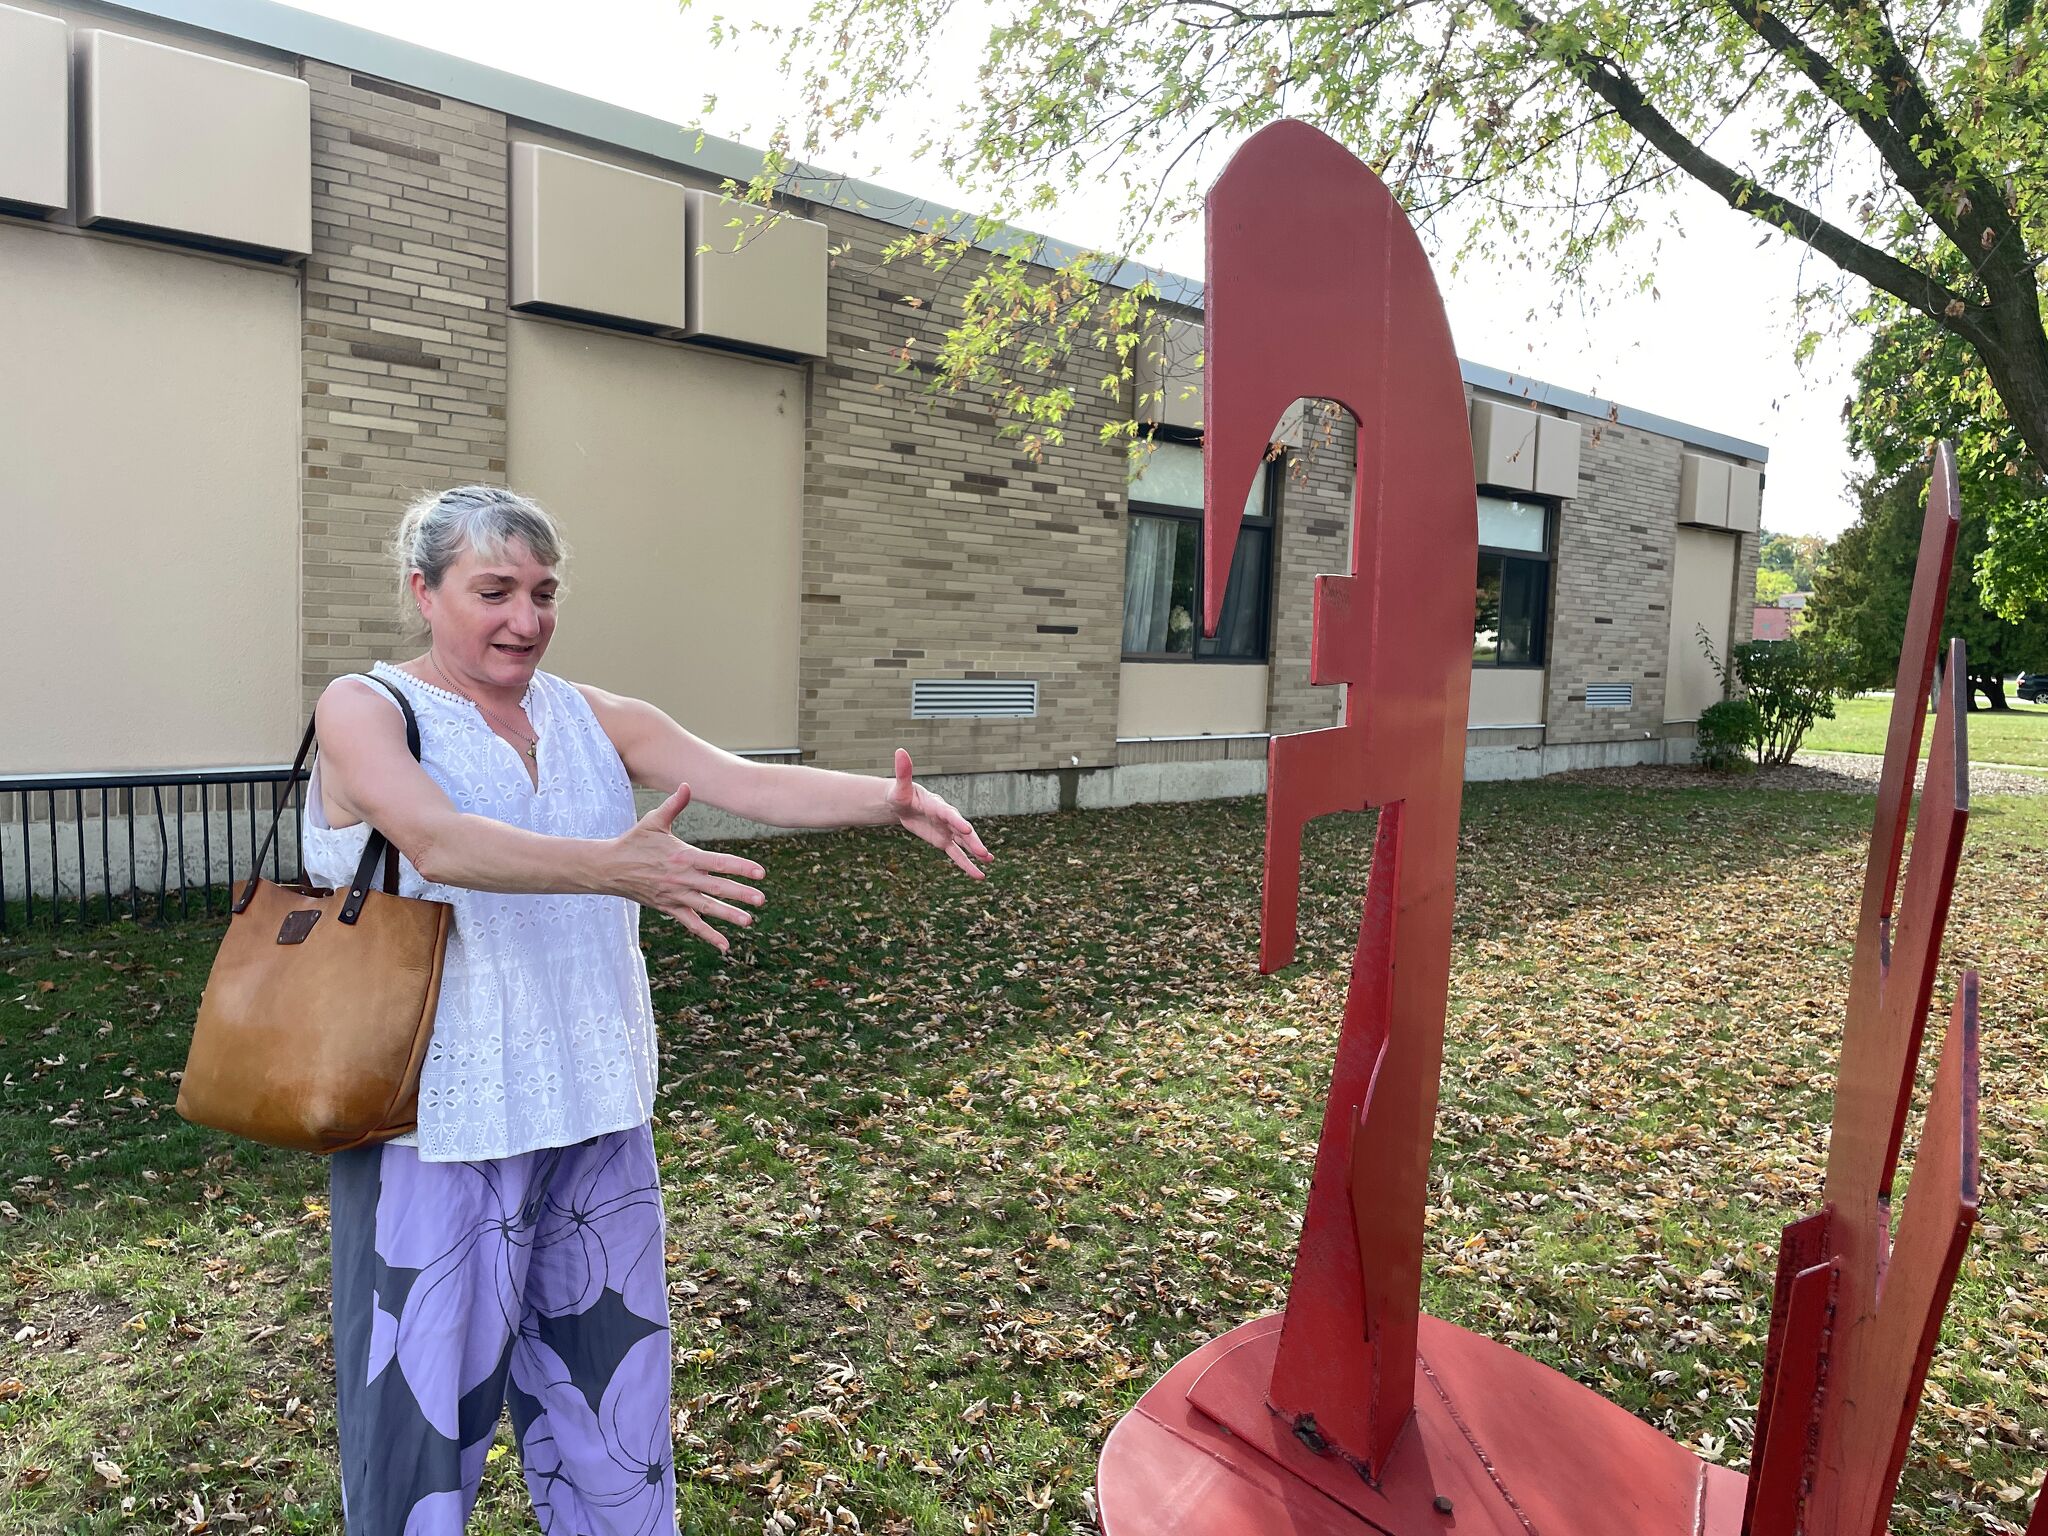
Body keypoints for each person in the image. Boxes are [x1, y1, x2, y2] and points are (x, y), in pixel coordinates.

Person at [301, 484, 992, 1534]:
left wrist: (886, 801)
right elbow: (436, 840)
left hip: (593, 1109)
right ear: (424, 592)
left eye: (543, 593)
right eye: (494, 590)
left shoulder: (591, 716)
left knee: (610, 1418)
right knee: (419, 1433)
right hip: (437, 1124)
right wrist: (613, 867)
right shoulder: (366, 707)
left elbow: (739, 781)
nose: (525, 619)